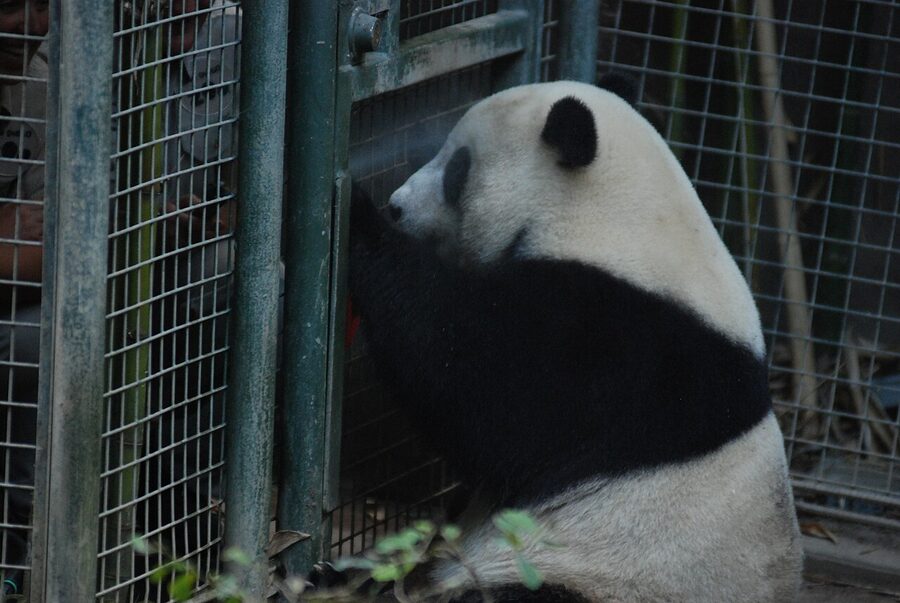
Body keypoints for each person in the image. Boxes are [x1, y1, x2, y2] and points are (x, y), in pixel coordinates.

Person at [0, 0, 48, 594]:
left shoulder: (42, 84)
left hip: (17, 312)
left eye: (45, 6)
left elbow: (64, 249)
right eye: (13, 5)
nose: (35, 26)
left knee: (36, 341)